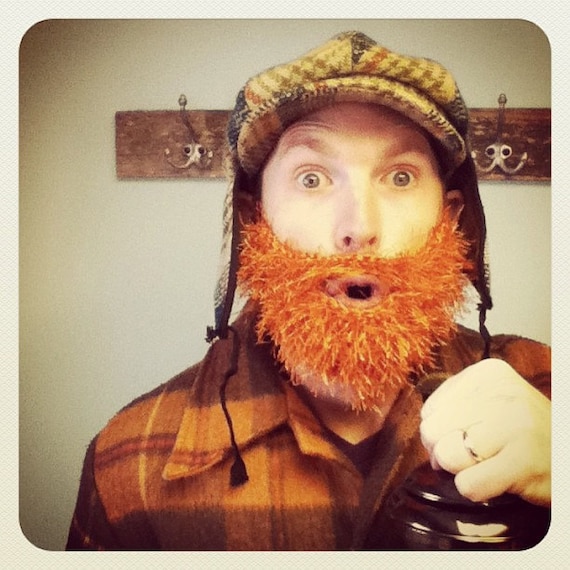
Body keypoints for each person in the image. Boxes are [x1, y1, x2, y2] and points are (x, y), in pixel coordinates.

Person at [66, 31, 551, 550]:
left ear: (449, 219)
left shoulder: (549, 390)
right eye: (312, 178)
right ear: (254, 222)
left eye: (400, 177)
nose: (359, 227)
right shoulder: (129, 465)